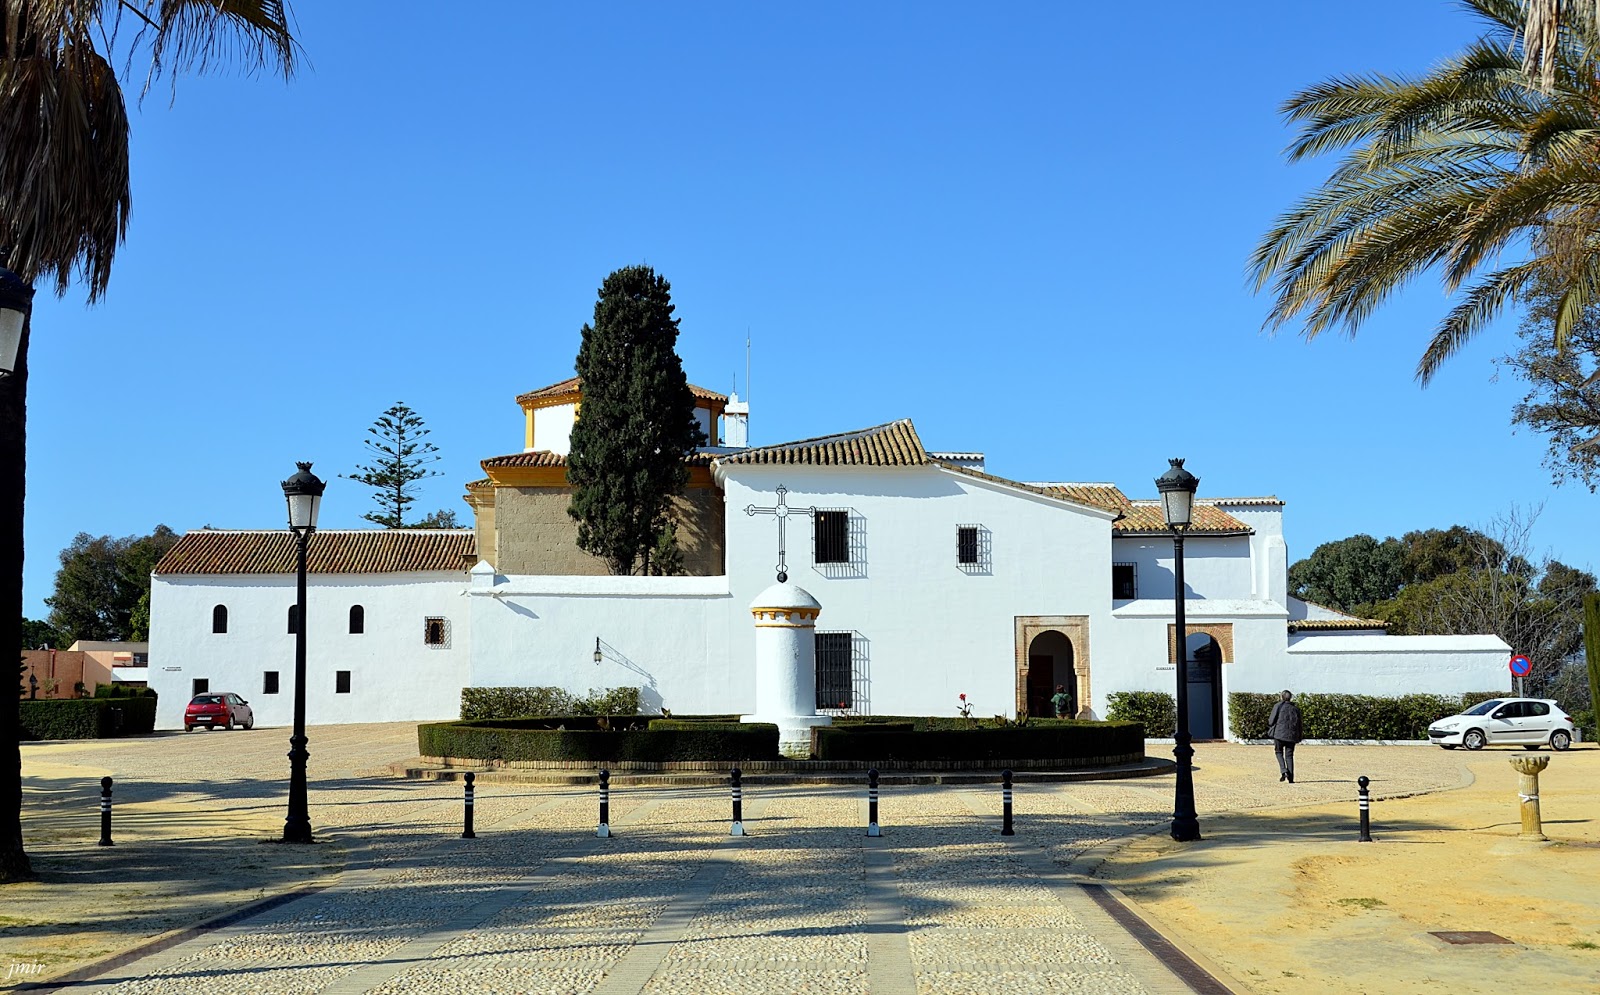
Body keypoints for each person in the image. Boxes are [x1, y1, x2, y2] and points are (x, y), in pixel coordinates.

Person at [1266, 689, 1304, 783]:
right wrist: (1299, 736)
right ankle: (1291, 779)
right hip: (1292, 735)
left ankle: (1284, 771)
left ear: (1282, 697)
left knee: (1278, 752)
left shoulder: (1278, 706)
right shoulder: (1296, 709)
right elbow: (1300, 724)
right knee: (1289, 756)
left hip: (1279, 734)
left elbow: (1271, 721)